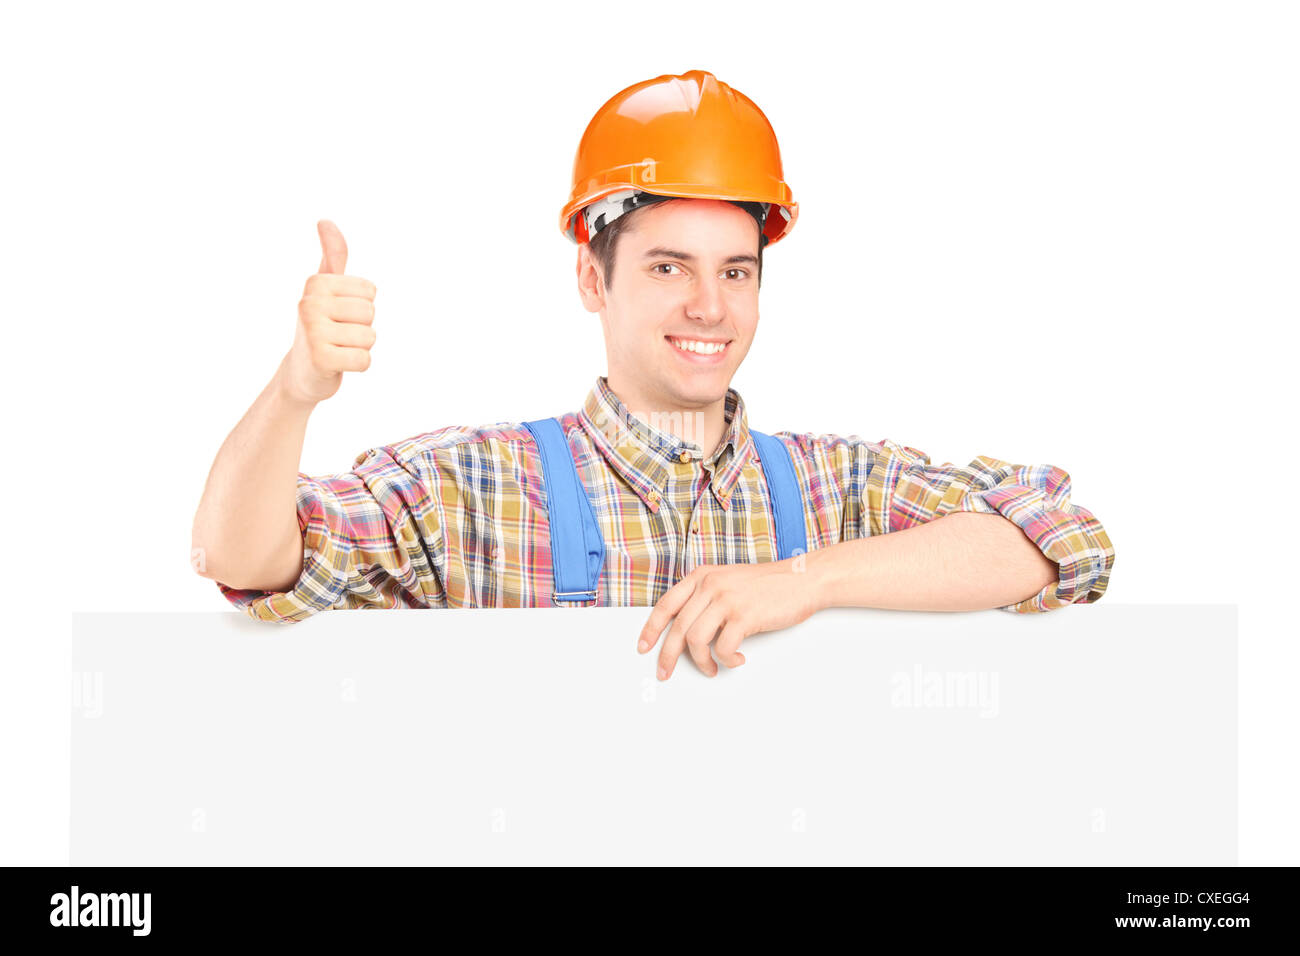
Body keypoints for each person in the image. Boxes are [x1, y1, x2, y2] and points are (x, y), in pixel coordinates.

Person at [191, 69, 1114, 680]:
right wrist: (295, 392)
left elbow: (1060, 538)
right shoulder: (468, 488)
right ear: (593, 278)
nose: (709, 307)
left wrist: (809, 579)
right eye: (668, 267)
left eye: (736, 271)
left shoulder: (840, 488)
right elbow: (244, 557)